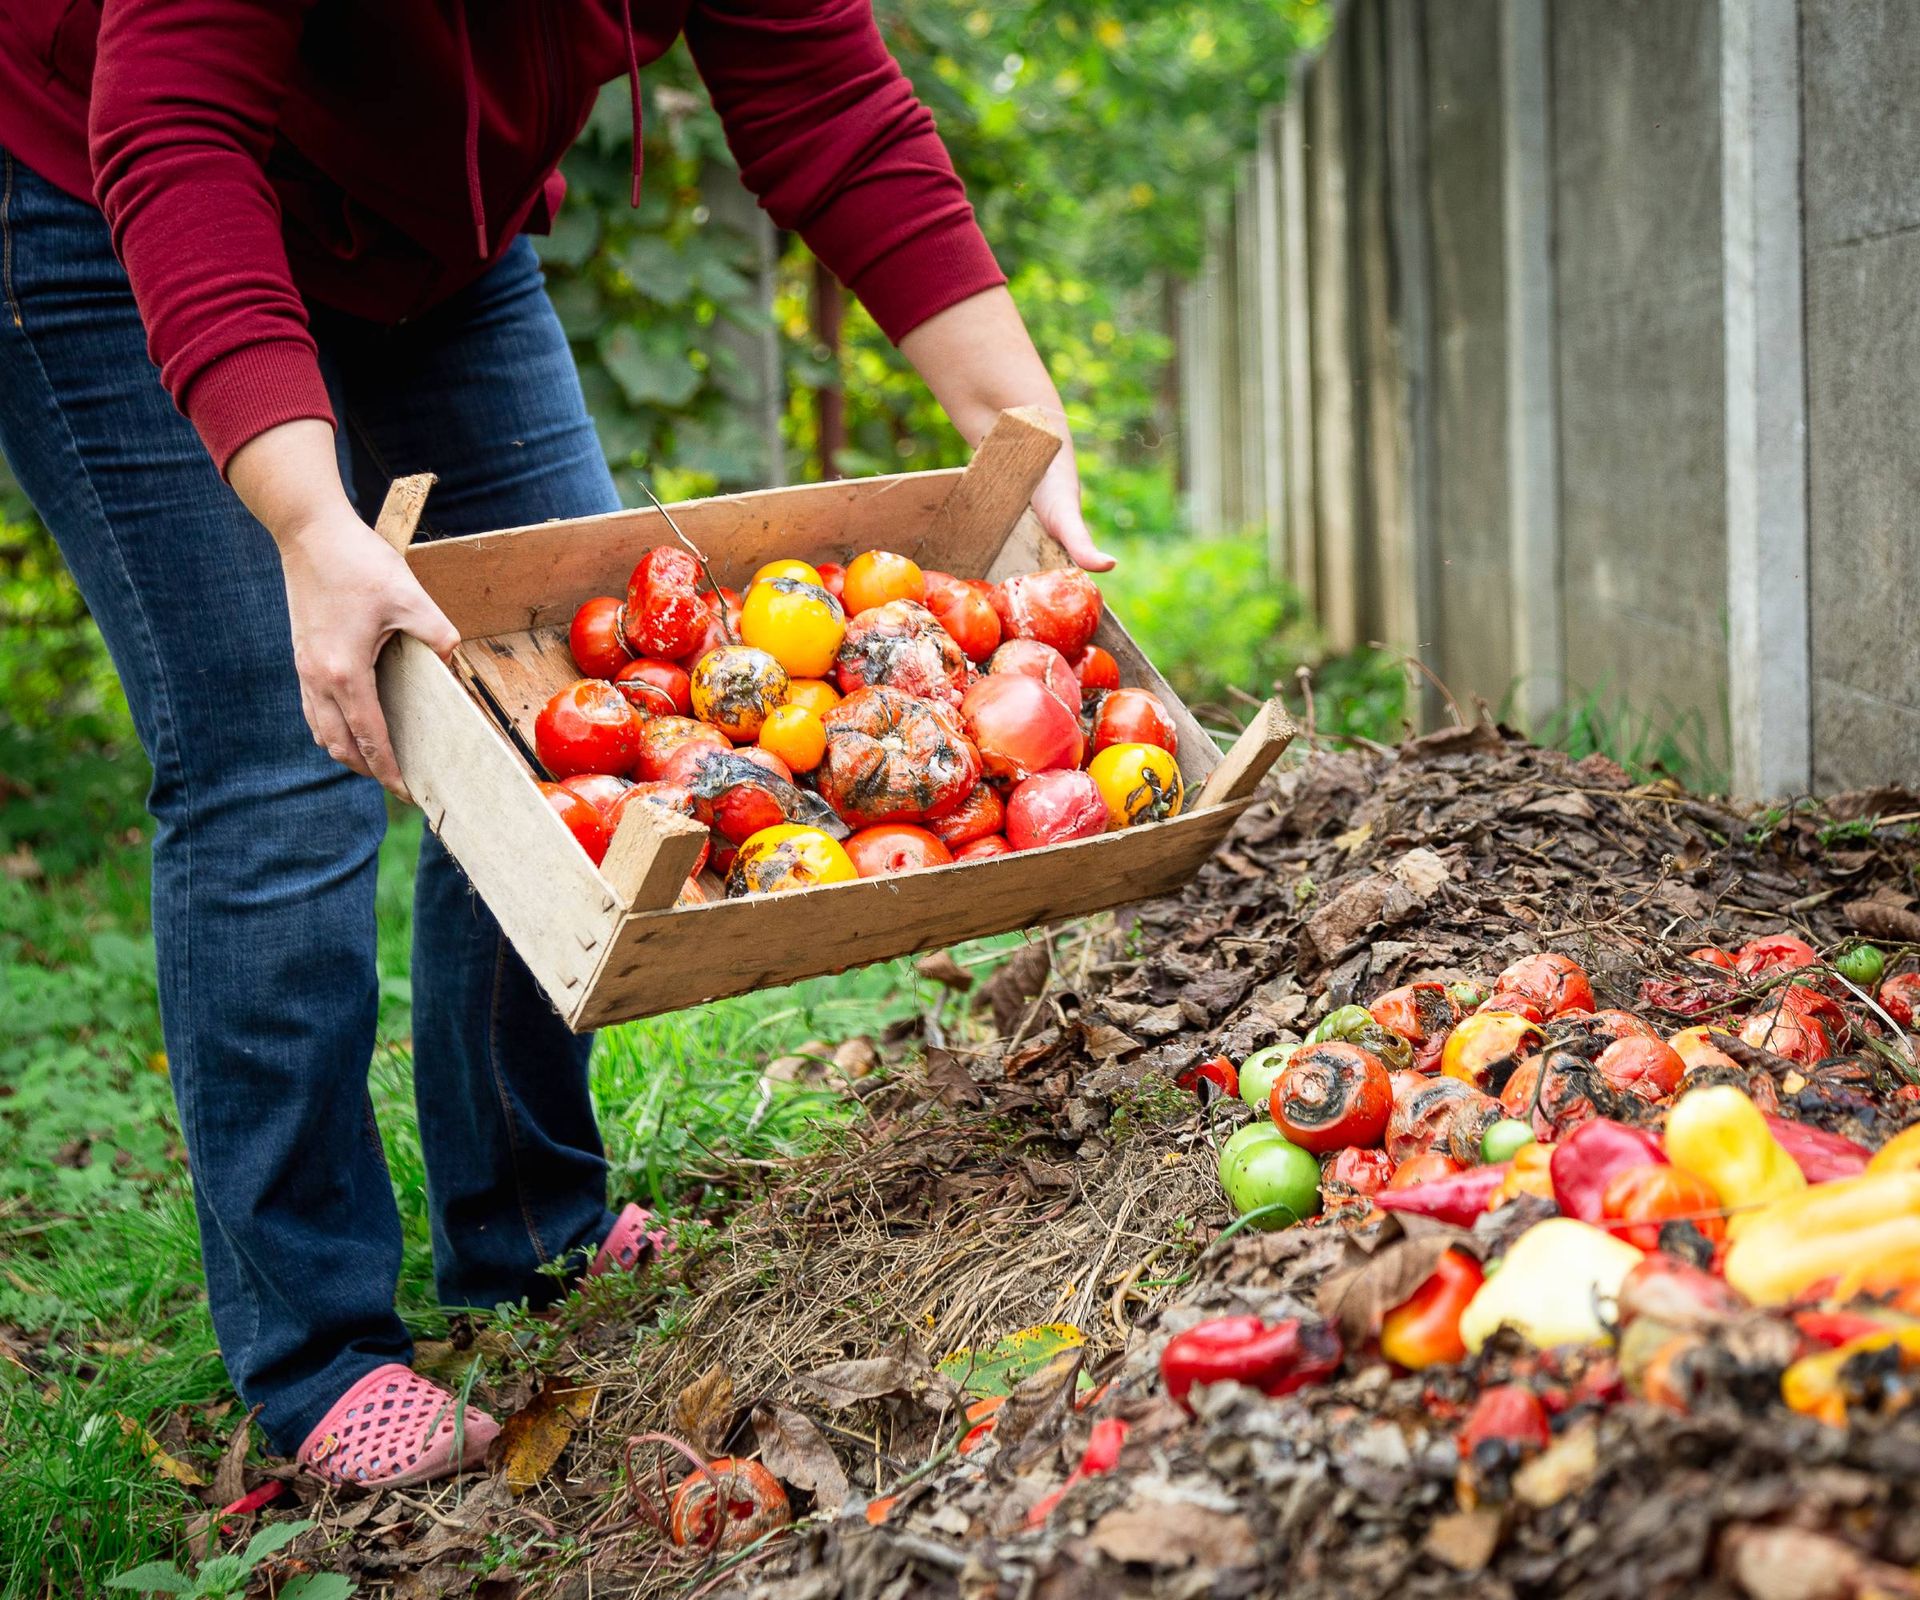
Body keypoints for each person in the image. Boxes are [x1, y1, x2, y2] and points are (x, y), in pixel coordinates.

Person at [0, 1, 1107, 1489]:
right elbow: (175, 128)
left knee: (552, 718)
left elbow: (828, 97)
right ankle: (319, 1348)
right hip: (101, 189)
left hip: (430, 251)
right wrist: (312, 529)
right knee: (280, 748)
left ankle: (527, 1226)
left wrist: (1020, 428)